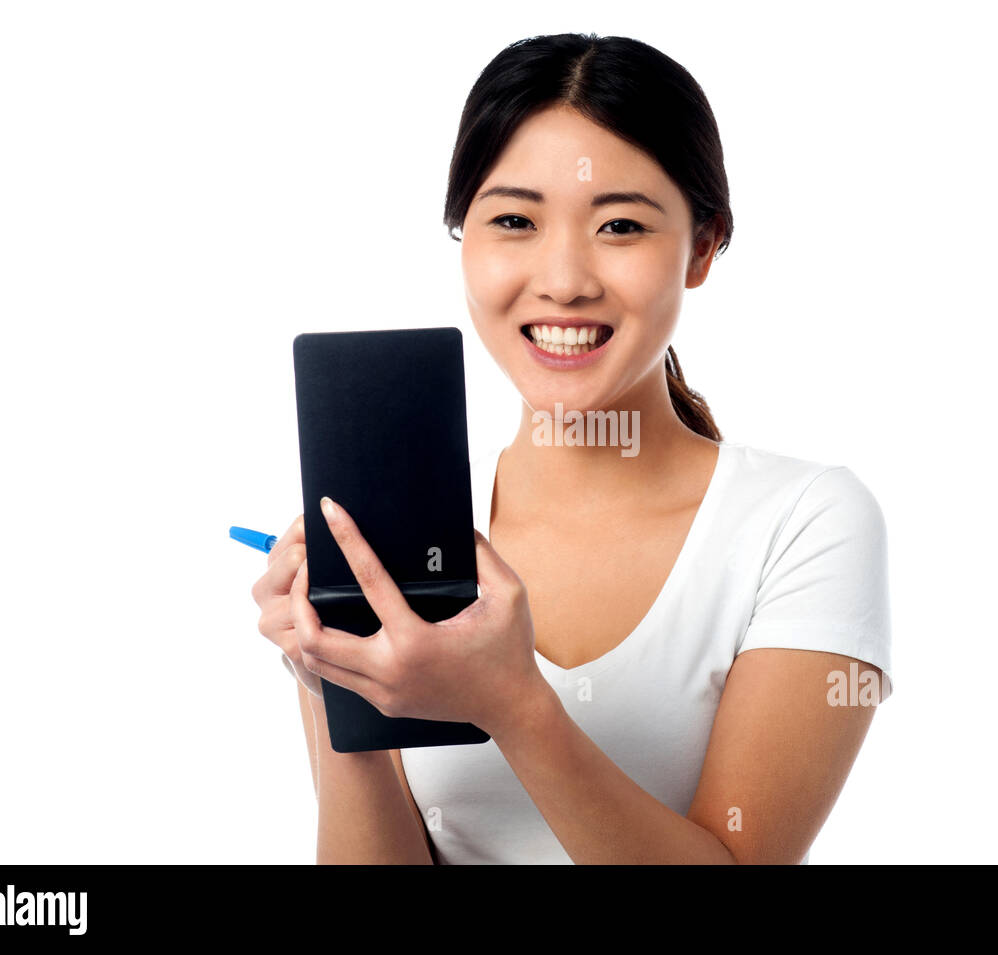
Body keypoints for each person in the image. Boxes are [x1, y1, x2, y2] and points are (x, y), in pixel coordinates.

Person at [252, 32, 893, 865]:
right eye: (514, 220)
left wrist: (517, 706)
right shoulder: (400, 535)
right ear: (464, 238)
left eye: (620, 225)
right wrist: (337, 692)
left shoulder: (804, 522)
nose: (563, 280)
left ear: (702, 246)